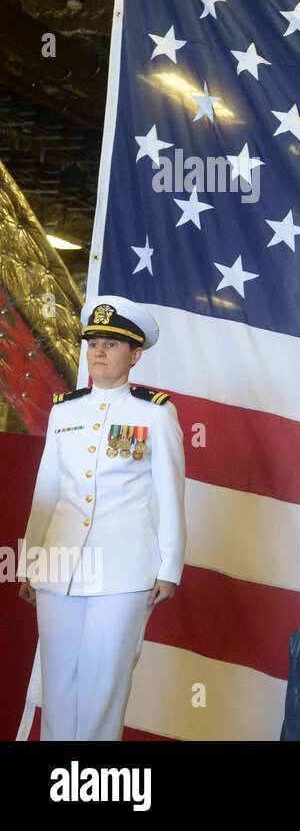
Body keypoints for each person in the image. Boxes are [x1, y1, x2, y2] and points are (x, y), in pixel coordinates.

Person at [18, 295, 185, 740]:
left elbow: (169, 493)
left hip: (123, 567)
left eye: (111, 344)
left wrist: (169, 566)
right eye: (93, 342)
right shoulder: (64, 410)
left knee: (103, 685)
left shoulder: (155, 412)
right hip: (58, 566)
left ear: (135, 354)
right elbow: (47, 491)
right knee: (58, 685)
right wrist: (31, 562)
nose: (99, 352)